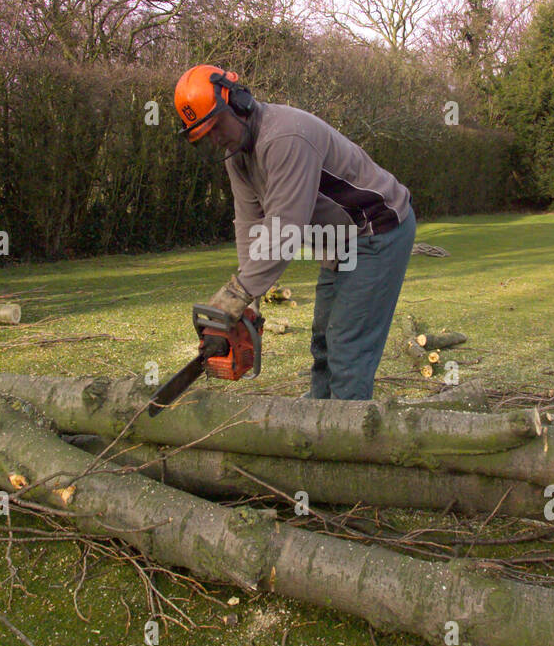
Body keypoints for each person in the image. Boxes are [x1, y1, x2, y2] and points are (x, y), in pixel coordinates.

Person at [173, 64, 416, 401]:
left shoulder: (286, 136)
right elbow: (249, 225)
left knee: (347, 350)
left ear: (238, 102)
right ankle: (314, 424)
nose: (216, 140)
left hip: (377, 229)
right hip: (338, 243)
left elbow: (285, 229)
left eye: (217, 127)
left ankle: (345, 440)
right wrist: (249, 300)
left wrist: (239, 290)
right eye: (206, 136)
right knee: (323, 344)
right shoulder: (238, 156)